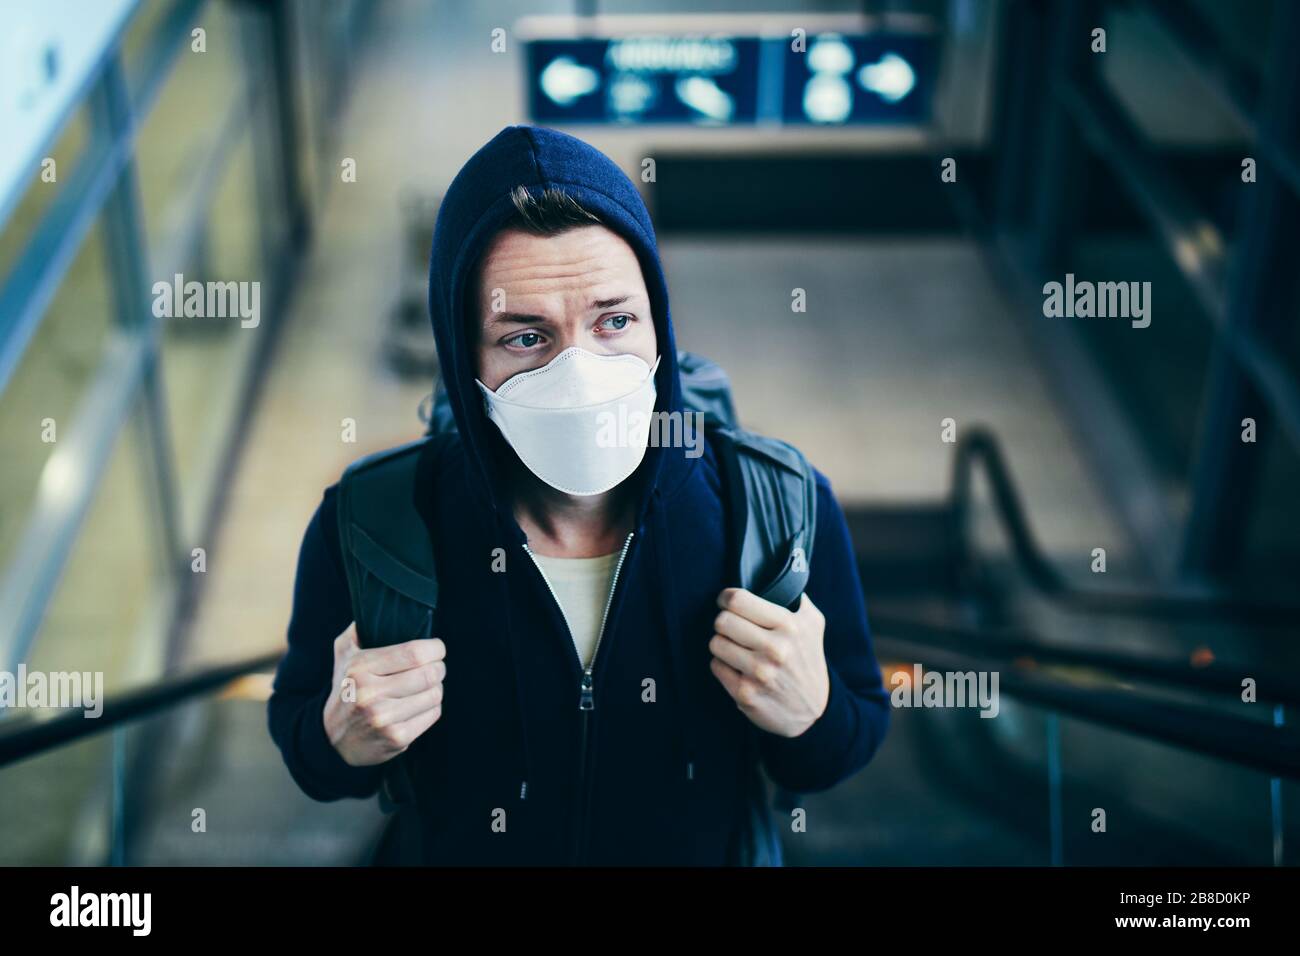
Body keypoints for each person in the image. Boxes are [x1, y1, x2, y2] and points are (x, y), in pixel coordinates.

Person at [267, 125, 890, 865]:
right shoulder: (371, 525)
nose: (581, 373)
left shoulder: (780, 511)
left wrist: (811, 715)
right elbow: (308, 749)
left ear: (659, 321)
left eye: (615, 321)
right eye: (525, 338)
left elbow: (843, 744)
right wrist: (341, 734)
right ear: (461, 353)